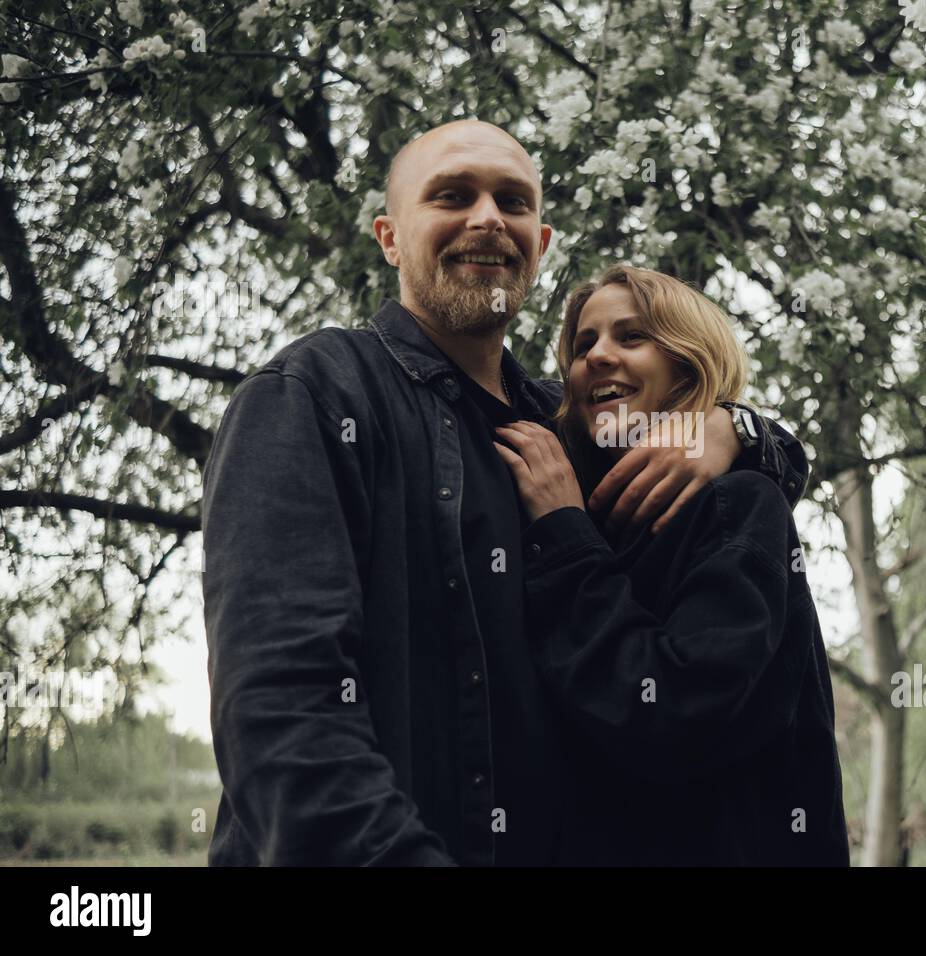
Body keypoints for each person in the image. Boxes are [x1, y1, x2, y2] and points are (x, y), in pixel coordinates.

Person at [202, 120, 810, 866]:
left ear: (540, 244)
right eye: (453, 195)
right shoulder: (317, 394)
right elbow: (281, 712)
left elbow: (737, 470)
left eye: (513, 202)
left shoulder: (570, 429)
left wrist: (738, 430)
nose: (488, 217)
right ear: (390, 238)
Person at [493, 265, 850, 865]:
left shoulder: (737, 503)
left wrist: (564, 537)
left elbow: (668, 714)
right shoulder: (575, 496)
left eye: (632, 337)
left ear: (687, 364)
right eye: (585, 344)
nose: (600, 355)